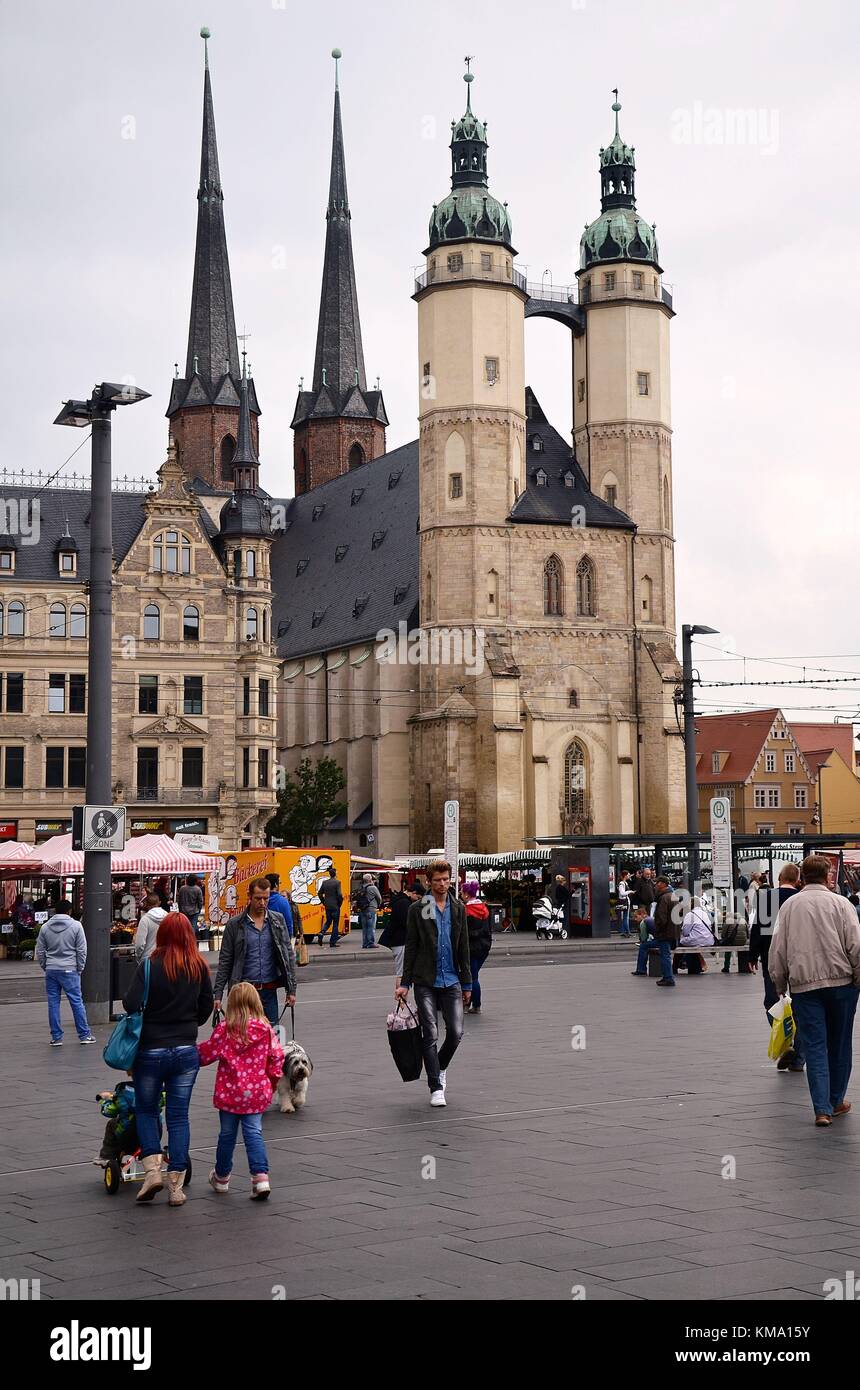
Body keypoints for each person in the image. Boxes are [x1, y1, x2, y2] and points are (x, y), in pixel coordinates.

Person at [122, 912, 213, 1203]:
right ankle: (176, 1187)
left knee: (147, 1110)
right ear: (188, 935)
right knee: (178, 1116)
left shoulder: (149, 966)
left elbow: (130, 1003)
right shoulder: (199, 966)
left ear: (162, 935)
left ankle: (151, 1173)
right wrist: (187, 1024)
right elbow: (205, 1008)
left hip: (150, 1050)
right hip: (186, 1051)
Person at [769, 854, 860, 1127]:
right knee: (840, 1044)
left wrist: (779, 983)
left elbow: (778, 949)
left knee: (816, 1045)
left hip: (804, 986)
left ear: (801, 877)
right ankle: (836, 1100)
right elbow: (855, 944)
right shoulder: (841, 904)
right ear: (828, 876)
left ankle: (822, 1110)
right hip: (842, 983)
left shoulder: (790, 907)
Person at [197, 983, 285, 1200]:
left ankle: (221, 1177)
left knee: (227, 1135)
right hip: (256, 1092)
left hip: (230, 1092)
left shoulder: (225, 1029)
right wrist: (272, 1083)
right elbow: (277, 1057)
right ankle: (260, 1178)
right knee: (253, 1132)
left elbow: (205, 1054)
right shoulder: (265, 1029)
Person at [396, 860, 472, 1106]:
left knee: (456, 1033)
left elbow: (464, 947)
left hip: (452, 979)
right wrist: (404, 983)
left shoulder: (458, 908)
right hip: (425, 979)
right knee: (430, 1033)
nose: (442, 884)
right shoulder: (419, 908)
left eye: (446, 879)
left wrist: (468, 983)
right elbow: (412, 947)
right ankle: (435, 1087)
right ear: (429, 881)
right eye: (438, 880)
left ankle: (440, 1067)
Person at [213, 878, 297, 1028]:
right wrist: (218, 994)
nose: (262, 903)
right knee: (243, 1040)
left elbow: (288, 956)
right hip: (243, 994)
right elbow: (225, 960)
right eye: (258, 898)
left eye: (266, 899)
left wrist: (291, 990)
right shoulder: (235, 924)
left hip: (269, 992)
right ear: (249, 896)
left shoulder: (277, 920)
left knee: (271, 1040)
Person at [750, 863, 804, 1071]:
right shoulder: (800, 898)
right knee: (801, 1003)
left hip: (771, 955)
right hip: (798, 956)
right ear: (797, 879)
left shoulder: (766, 897)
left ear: (780, 877)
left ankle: (785, 1043)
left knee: (772, 1001)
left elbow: (758, 927)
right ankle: (799, 1057)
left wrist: (753, 954)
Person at [35, 900, 95, 1046]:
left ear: (55, 911)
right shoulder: (76, 926)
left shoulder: (45, 927)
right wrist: (79, 967)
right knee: (76, 1002)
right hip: (70, 969)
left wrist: (46, 966)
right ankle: (84, 1035)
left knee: (53, 1003)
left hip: (51, 969)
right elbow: (82, 950)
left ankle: (56, 1037)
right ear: (69, 911)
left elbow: (40, 950)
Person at [631, 876, 677, 985]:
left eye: (657, 883)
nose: (655, 886)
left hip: (665, 933)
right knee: (665, 954)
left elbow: (661, 918)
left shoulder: (664, 898)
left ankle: (668, 978)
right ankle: (667, 977)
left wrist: (658, 931)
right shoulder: (673, 897)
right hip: (672, 932)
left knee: (665, 955)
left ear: (663, 884)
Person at [379, 883, 420, 984]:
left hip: (397, 940)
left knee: (402, 972)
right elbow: (406, 923)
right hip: (400, 941)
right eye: (418, 897)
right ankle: (401, 999)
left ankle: (402, 999)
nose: (418, 900)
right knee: (401, 973)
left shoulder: (400, 900)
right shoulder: (404, 903)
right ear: (413, 893)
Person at [462, 882, 492, 1012]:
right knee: (473, 974)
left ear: (467, 895)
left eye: (462, 893)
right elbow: (487, 929)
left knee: (472, 977)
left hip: (471, 947)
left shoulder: (466, 911)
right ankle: (471, 1003)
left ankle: (475, 1004)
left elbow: (463, 931)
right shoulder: (484, 908)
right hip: (484, 947)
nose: (461, 895)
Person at [678, 897, 715, 976]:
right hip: (708, 940)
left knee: (681, 943)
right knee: (691, 943)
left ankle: (675, 966)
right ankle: (697, 965)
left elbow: (685, 932)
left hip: (697, 940)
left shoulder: (690, 914)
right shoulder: (705, 913)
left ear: (691, 904)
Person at [134, 892, 167, 961]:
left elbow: (140, 944)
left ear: (146, 905)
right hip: (165, 957)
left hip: (147, 958)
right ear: (159, 903)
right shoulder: (168, 917)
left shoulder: (145, 919)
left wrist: (138, 956)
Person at [316, 865, 344, 947]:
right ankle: (333, 942)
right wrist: (340, 902)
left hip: (327, 905)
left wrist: (324, 902)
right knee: (335, 924)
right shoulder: (337, 882)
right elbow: (339, 894)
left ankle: (322, 932)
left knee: (328, 921)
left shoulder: (325, 883)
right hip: (335, 905)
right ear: (335, 874)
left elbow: (319, 893)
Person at [356, 873, 382, 949]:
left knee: (364, 927)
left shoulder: (361, 887)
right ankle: (371, 943)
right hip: (371, 909)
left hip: (363, 909)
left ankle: (365, 943)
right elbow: (379, 898)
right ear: (370, 880)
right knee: (371, 927)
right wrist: (378, 905)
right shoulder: (373, 888)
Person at [265, 873, 294, 939]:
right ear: (276, 885)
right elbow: (288, 923)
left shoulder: (260, 900)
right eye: (279, 883)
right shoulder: (282, 901)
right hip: (279, 938)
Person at [616, 869, 632, 938]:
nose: (629, 876)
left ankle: (624, 931)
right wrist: (630, 891)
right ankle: (627, 932)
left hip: (625, 902)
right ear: (625, 876)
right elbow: (622, 893)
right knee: (626, 917)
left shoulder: (624, 883)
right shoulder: (622, 883)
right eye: (628, 875)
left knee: (625, 917)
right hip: (625, 902)